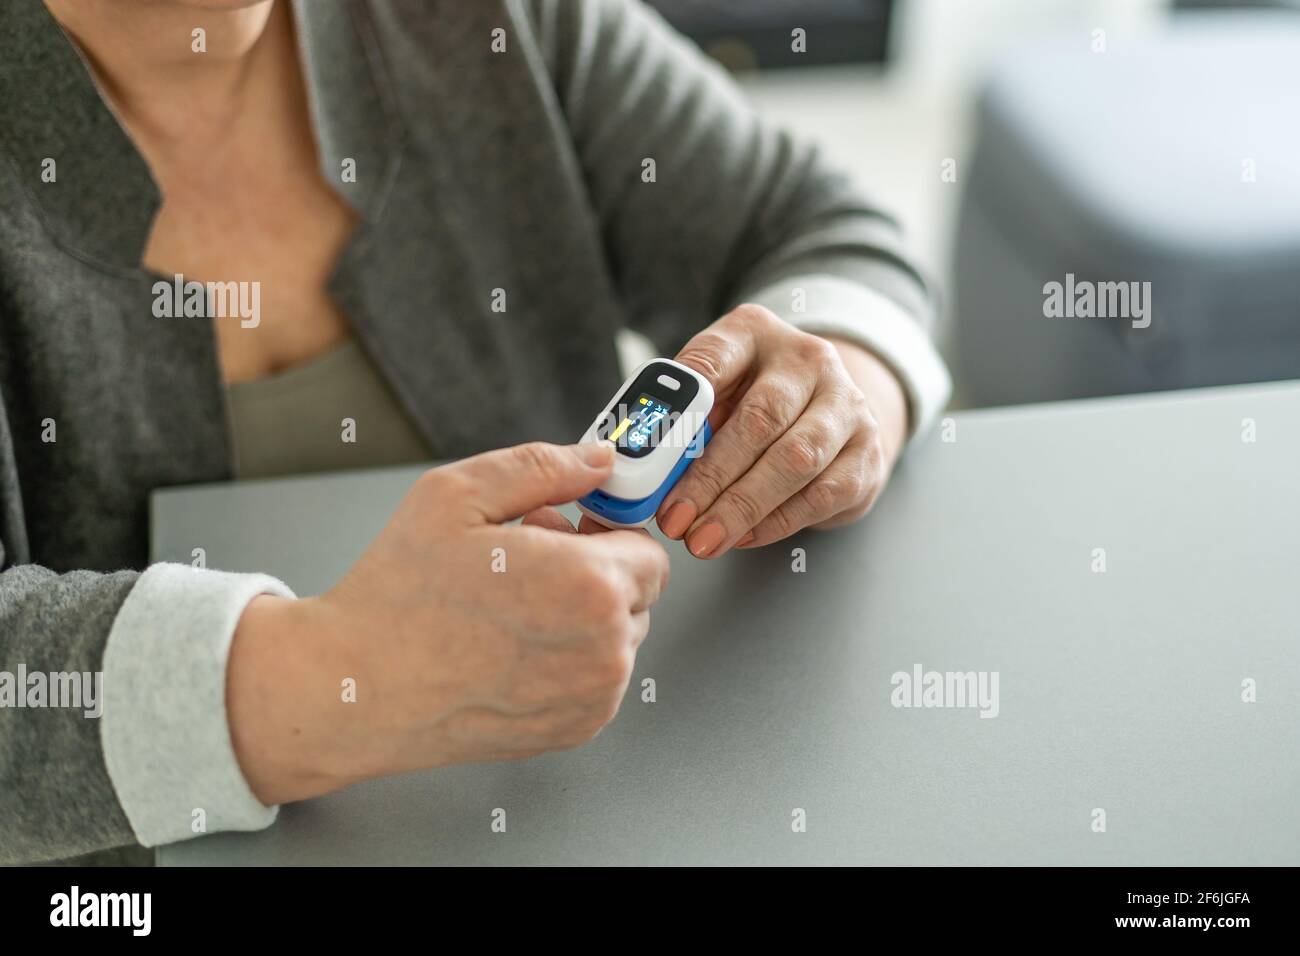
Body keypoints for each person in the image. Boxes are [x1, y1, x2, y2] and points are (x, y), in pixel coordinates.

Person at [0, 0, 951, 864]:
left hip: (585, 821)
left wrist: (835, 391)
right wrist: (330, 680)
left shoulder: (495, 23)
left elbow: (825, 226)